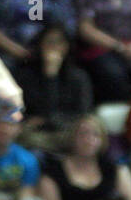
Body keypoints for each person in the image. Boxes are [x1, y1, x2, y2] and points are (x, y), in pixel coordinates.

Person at [14, 24, 93, 152]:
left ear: (67, 46)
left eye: (59, 42)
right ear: (40, 45)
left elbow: (83, 112)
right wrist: (50, 77)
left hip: (67, 132)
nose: (54, 47)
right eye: (49, 42)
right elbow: (26, 110)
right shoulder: (25, 75)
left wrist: (49, 120)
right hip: (34, 134)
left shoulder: (78, 77)